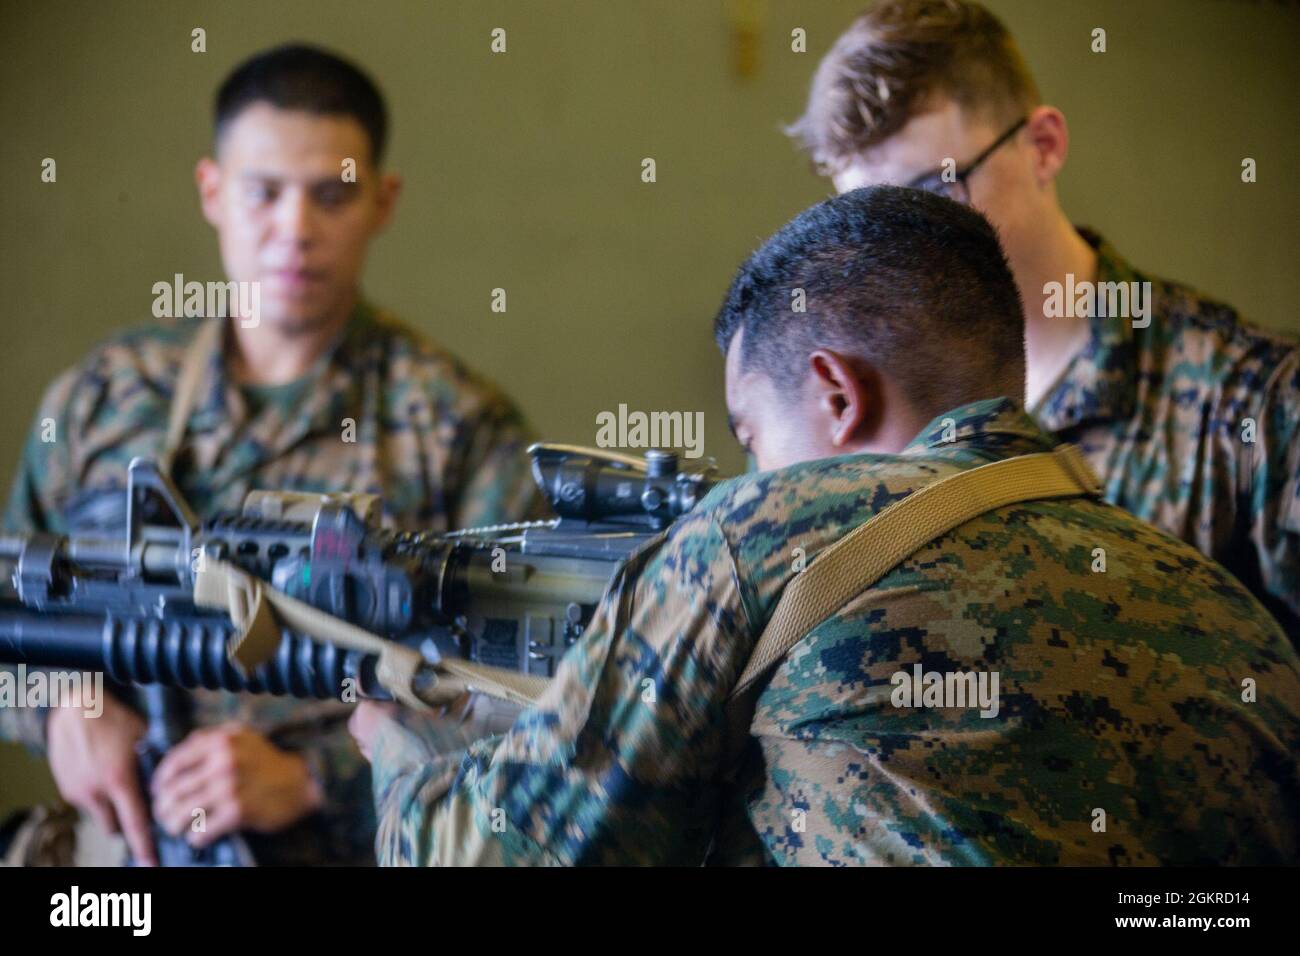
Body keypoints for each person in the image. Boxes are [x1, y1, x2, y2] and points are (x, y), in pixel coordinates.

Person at [348, 186, 1300, 866]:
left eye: (753, 434)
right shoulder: (1223, 607)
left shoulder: (759, 528)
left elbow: (504, 851)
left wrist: (403, 756)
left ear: (838, 395)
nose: (746, 470)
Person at [0, 44, 538, 866]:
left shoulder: (458, 426)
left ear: (383, 203)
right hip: (125, 862)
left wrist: (317, 778)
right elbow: (12, 622)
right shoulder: (103, 398)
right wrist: (61, 705)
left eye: (332, 195)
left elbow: (524, 708)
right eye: (263, 193)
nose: (295, 229)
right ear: (212, 192)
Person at [785, 0, 1299, 637]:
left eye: (937, 189)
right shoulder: (869, 407)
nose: (907, 248)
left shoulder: (1255, 402)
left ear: (1044, 147)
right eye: (875, 218)